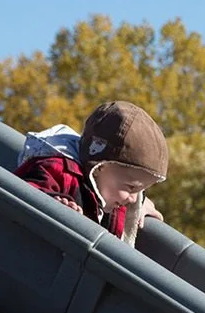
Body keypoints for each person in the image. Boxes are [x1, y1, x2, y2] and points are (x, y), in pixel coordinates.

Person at [13, 100, 168, 246]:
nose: (134, 199)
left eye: (141, 190)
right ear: (100, 166)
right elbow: (22, 193)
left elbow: (136, 197)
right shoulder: (60, 171)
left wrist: (145, 206)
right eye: (131, 188)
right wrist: (54, 205)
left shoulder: (112, 191)